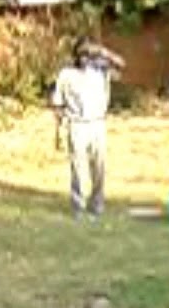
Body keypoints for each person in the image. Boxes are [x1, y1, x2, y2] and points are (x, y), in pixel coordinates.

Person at [50, 37, 126, 220]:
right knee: (78, 168)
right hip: (77, 125)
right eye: (81, 54)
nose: (85, 59)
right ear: (75, 55)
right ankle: (78, 206)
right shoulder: (66, 74)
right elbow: (58, 104)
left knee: (99, 167)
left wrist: (102, 51)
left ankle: (97, 204)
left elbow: (122, 65)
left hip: (97, 124)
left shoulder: (100, 69)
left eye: (88, 54)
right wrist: (59, 130)